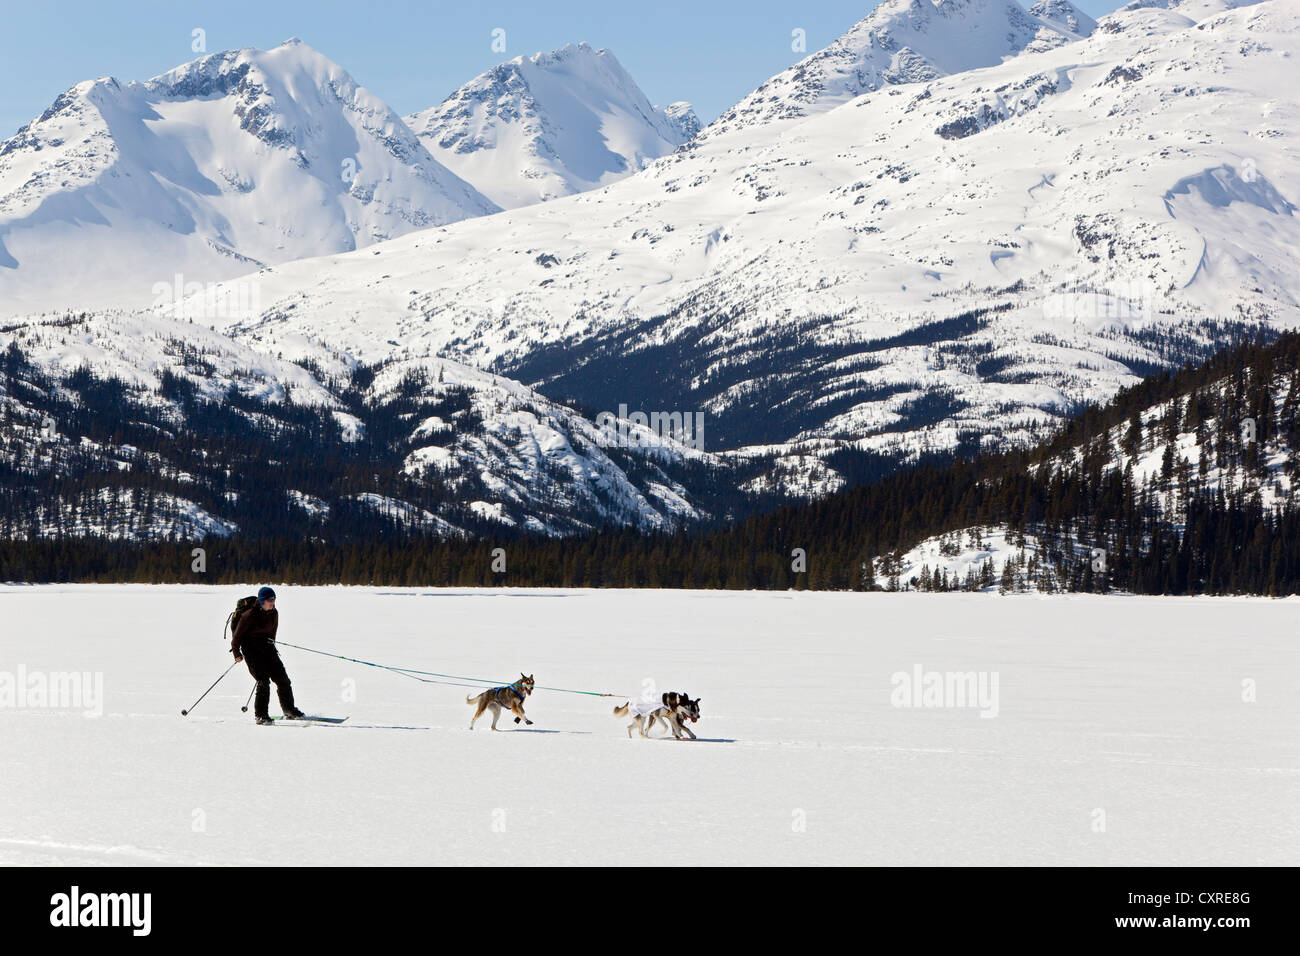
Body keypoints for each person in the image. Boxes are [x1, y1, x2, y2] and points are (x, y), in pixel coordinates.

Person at [231, 586, 305, 725]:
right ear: (262, 600)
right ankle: (261, 715)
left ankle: (289, 709)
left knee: (283, 680)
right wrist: (236, 653)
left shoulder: (274, 613)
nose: (272, 602)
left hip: (267, 649)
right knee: (263, 681)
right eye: (270, 600)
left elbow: (272, 633)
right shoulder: (249, 616)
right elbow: (237, 637)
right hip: (251, 651)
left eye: (274, 599)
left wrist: (272, 646)